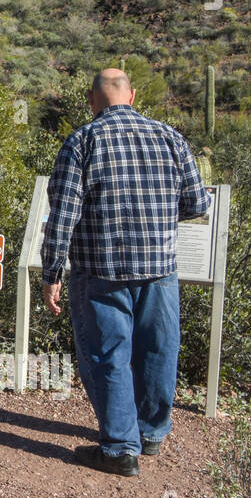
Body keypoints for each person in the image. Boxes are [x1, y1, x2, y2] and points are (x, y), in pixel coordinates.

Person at [40, 68, 209, 476]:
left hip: (101, 270)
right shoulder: (170, 137)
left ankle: (119, 450)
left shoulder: (82, 141)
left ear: (90, 99)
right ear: (131, 96)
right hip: (159, 271)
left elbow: (63, 215)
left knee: (107, 356)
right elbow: (198, 203)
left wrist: (52, 271)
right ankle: (150, 435)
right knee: (157, 351)